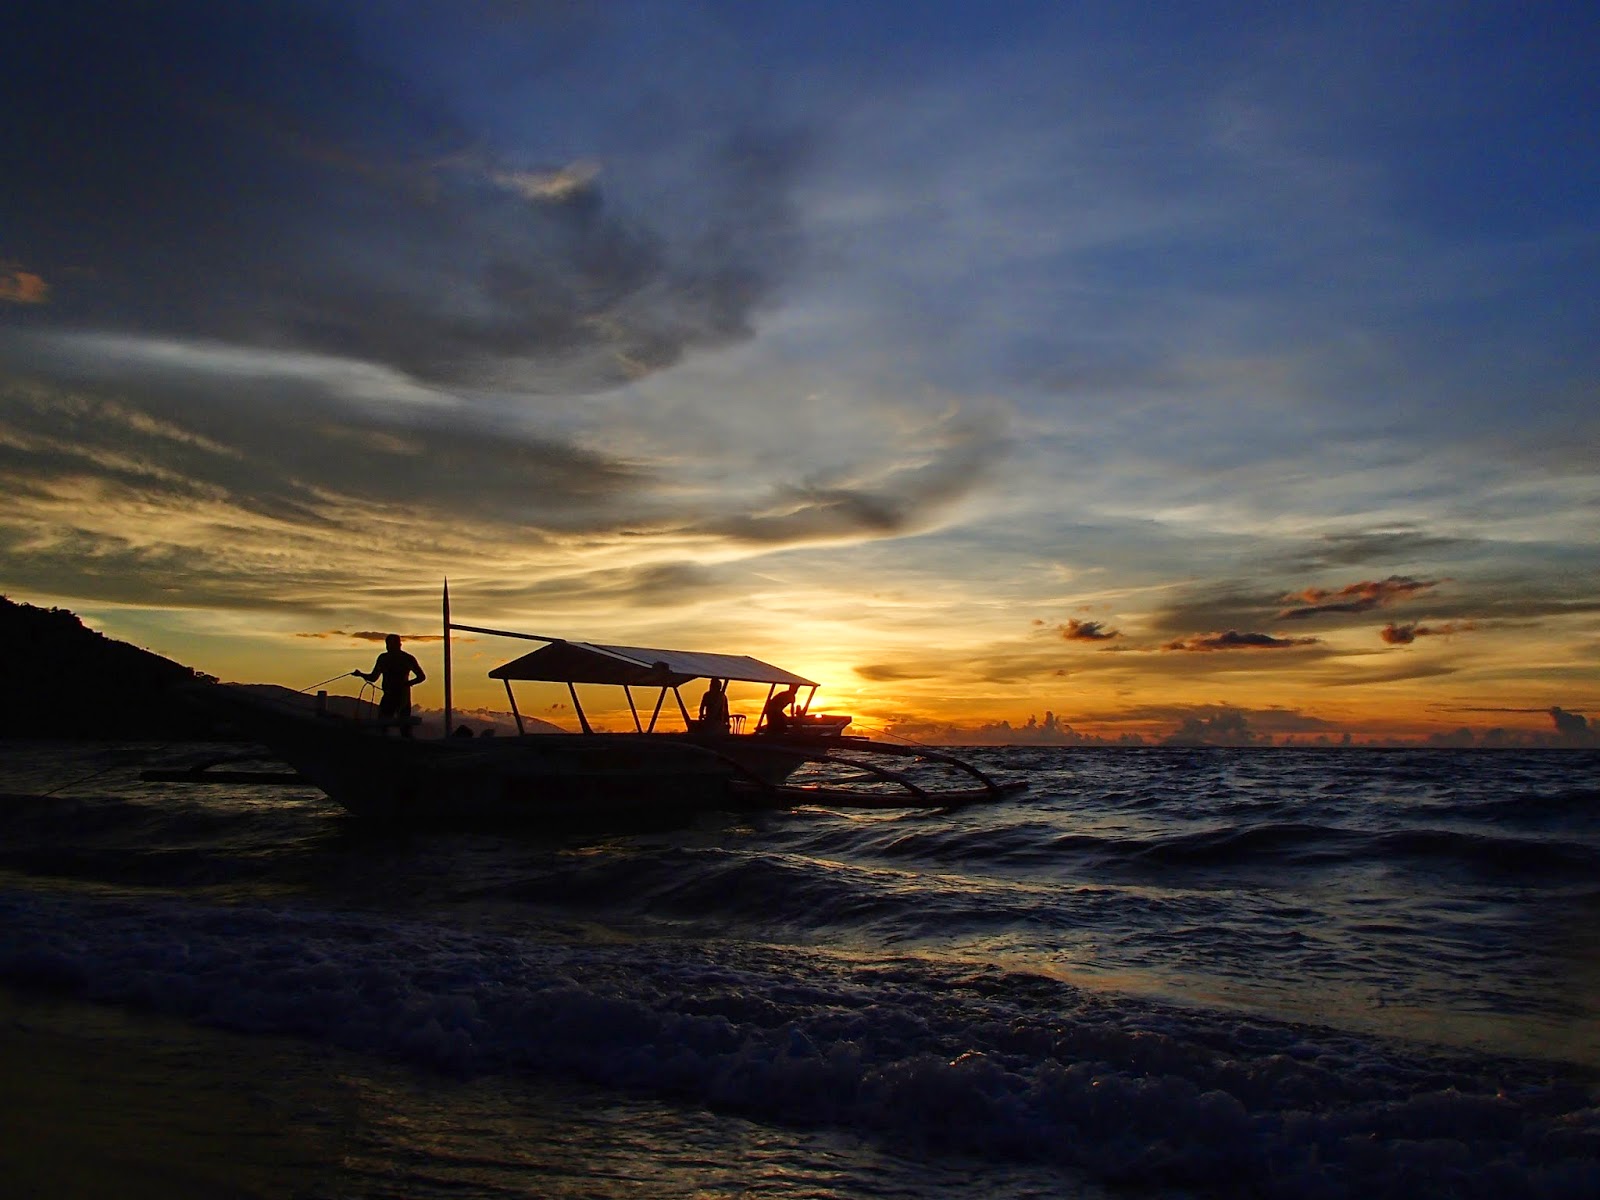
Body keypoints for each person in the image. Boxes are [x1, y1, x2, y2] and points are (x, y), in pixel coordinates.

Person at [354, 634, 426, 737]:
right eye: (388, 644)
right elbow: (421, 677)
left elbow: (373, 677)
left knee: (387, 725)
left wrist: (407, 684)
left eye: (390, 644)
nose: (388, 647)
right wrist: (360, 674)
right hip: (399, 696)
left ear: (399, 645)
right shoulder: (404, 658)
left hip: (397, 697)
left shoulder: (386, 658)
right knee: (394, 726)